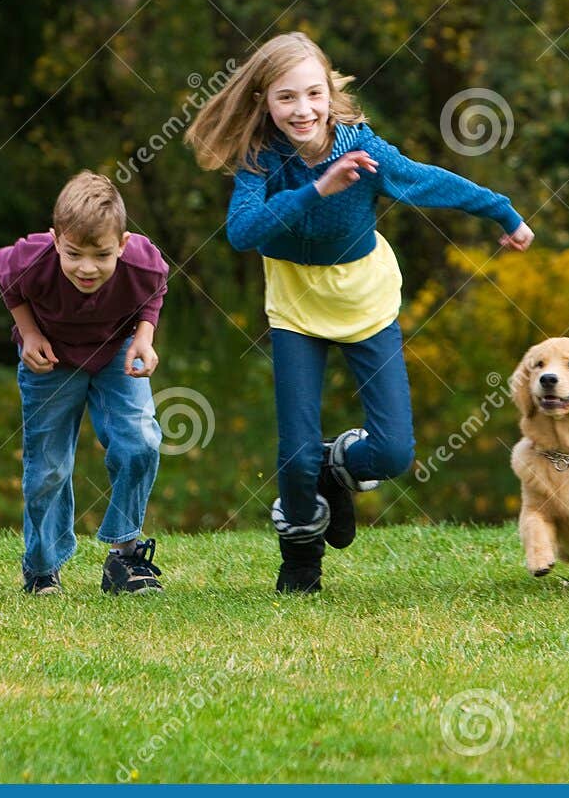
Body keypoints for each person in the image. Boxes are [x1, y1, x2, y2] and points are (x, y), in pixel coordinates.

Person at [185, 32, 533, 593]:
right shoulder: (260, 161)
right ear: (264, 103)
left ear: (330, 92)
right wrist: (316, 189)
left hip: (365, 303)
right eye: (286, 98)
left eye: (313, 94)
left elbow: (426, 180)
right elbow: (243, 232)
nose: (303, 110)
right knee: (294, 455)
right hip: (297, 309)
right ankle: (300, 559)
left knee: (393, 452)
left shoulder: (362, 149)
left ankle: (338, 464)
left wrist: (502, 211)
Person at [0, 171, 169, 596]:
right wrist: (28, 334)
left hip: (115, 354)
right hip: (51, 360)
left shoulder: (142, 261)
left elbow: (155, 289)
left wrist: (144, 338)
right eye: (73, 254)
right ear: (55, 240)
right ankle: (42, 566)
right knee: (48, 466)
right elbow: (2, 273)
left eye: (102, 255)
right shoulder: (30, 259)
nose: (86, 268)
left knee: (140, 441)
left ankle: (124, 557)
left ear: (123, 244)